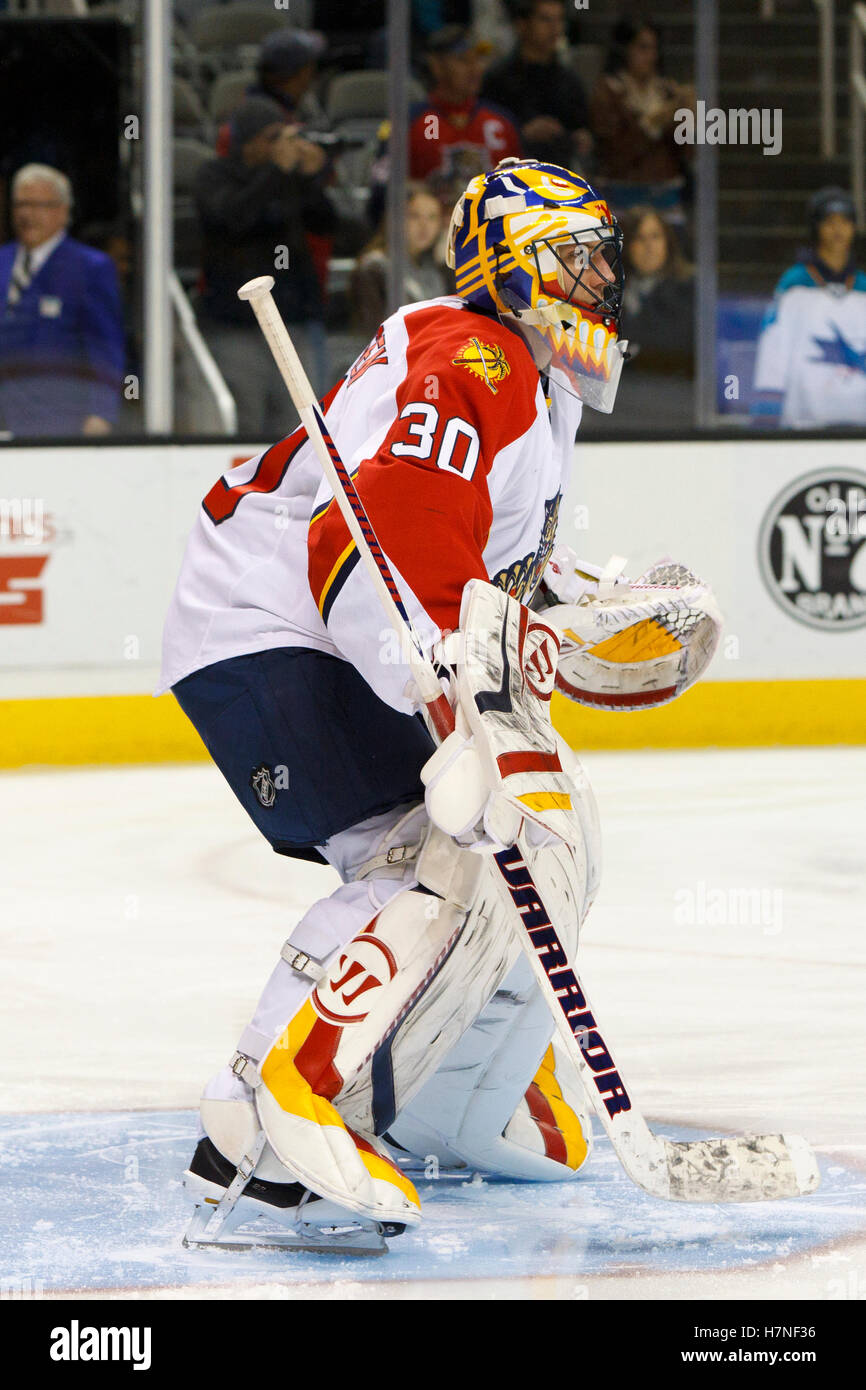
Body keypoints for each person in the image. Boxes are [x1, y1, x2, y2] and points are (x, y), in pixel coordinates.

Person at [159, 157, 634, 1249]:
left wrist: (586, 609)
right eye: (578, 256)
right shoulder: (471, 354)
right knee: (423, 856)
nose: (602, 279)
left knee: (535, 839)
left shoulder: (529, 382)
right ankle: (267, 1118)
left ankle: (444, 1096)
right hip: (277, 621)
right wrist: (443, 689)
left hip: (330, 624)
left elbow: (474, 566)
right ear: (513, 267)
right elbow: (362, 536)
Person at [195, 97, 335, 436]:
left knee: (302, 432)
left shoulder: (288, 177)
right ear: (249, 141)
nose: (280, 147)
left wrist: (312, 178)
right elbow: (232, 219)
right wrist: (277, 172)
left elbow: (326, 224)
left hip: (295, 322)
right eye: (273, 138)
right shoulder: (214, 175)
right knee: (246, 431)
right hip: (236, 326)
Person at [0, 164, 124, 438]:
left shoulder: (90, 267)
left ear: (62, 210)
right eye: (20, 204)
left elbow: (105, 346)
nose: (26, 214)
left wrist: (101, 413)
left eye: (37, 205)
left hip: (59, 419)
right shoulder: (2, 261)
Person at [752, 188, 866, 428]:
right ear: (816, 228)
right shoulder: (794, 284)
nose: (838, 230)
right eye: (830, 222)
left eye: (845, 222)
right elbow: (774, 346)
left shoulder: (863, 287)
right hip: (805, 427)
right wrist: (766, 413)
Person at [589, 18, 694, 211]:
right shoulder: (608, 92)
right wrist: (652, 123)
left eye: (654, 49)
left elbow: (685, 152)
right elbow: (614, 149)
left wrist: (687, 116)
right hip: (621, 191)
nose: (650, 56)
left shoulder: (667, 91)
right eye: (642, 48)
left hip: (664, 191)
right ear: (625, 49)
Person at [481, 0, 592, 171]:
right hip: (509, 178)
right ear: (522, 25)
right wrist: (522, 134)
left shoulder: (569, 80)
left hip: (561, 178)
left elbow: (583, 129)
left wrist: (579, 138)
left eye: (559, 20)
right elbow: (483, 134)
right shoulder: (497, 79)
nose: (555, 28)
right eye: (545, 20)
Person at [409, 25, 522, 189]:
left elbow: (524, 184)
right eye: (463, 60)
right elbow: (384, 190)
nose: (475, 68)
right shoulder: (412, 122)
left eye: (478, 59)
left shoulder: (502, 121)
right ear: (436, 66)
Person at [350, 184, 447, 340]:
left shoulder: (434, 270)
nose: (424, 225)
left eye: (432, 217)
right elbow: (373, 335)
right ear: (396, 220)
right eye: (414, 216)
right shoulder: (373, 268)